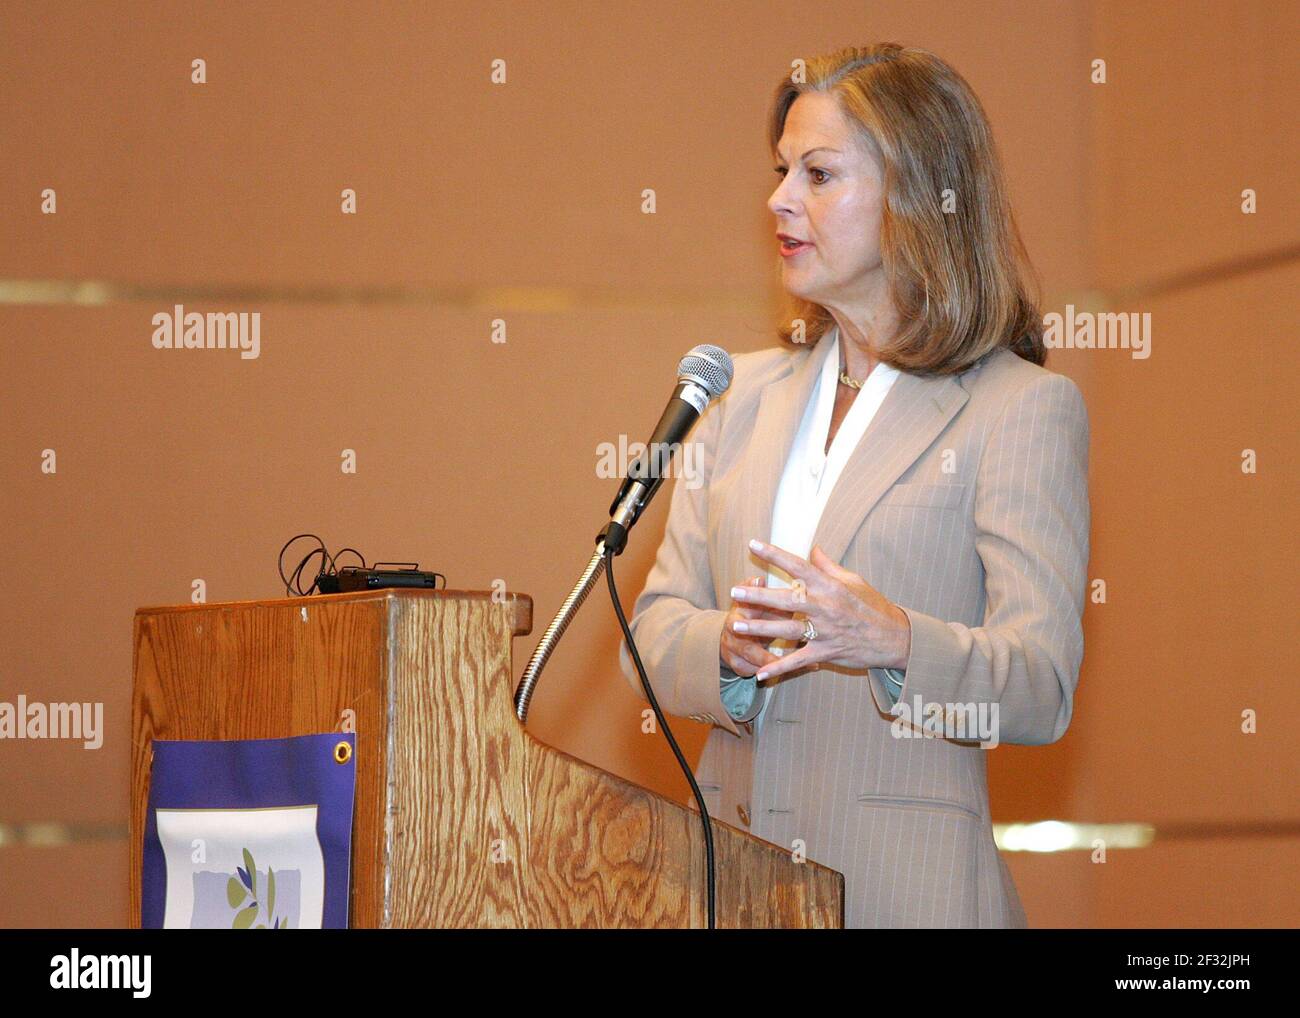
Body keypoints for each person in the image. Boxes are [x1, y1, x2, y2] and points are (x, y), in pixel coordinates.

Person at [618, 43, 1090, 928]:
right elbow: (648, 635)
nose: (779, 199)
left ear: (917, 196)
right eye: (781, 170)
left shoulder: (1018, 409)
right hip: (726, 892)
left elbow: (1041, 686)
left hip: (907, 897)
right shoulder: (734, 398)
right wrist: (726, 648)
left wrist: (896, 639)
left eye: (819, 173)